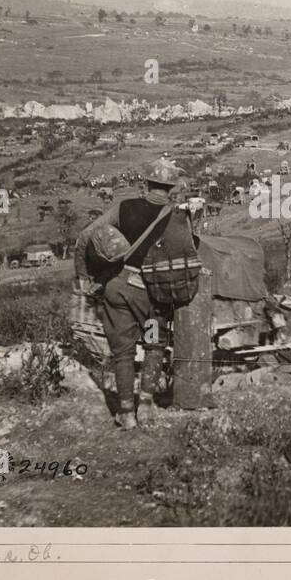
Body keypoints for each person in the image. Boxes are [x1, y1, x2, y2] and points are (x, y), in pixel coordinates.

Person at [75, 158, 183, 430]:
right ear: (171, 187)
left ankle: (126, 414)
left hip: (118, 289)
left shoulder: (123, 207)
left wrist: (84, 277)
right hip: (153, 296)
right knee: (154, 345)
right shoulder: (178, 216)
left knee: (122, 352)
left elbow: (86, 237)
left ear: (146, 183)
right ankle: (146, 406)